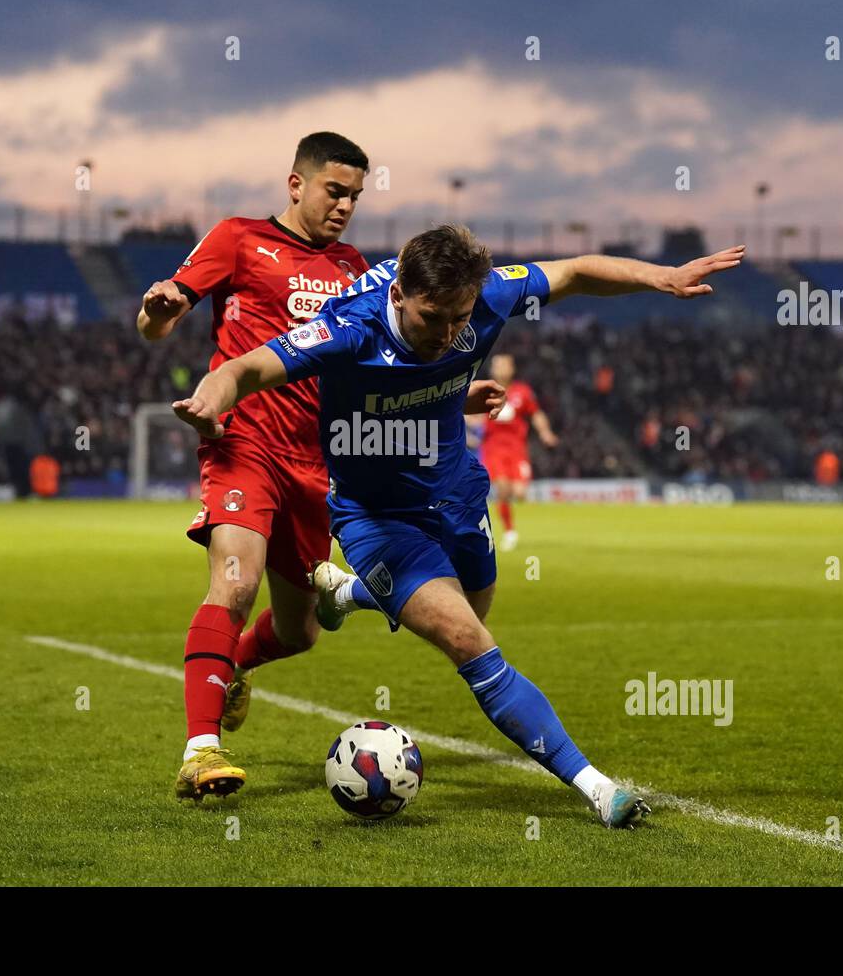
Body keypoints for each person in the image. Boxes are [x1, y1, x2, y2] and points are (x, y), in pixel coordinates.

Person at [173, 224, 745, 825]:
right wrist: (211, 401)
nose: (449, 334)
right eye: (433, 317)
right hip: (376, 519)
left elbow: (574, 271)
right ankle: (599, 789)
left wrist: (661, 277)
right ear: (398, 295)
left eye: (460, 318)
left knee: (477, 605)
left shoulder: (491, 295)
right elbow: (243, 370)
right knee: (470, 641)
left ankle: (349, 593)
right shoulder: (349, 327)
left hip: (457, 496)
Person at [138, 135, 504, 800]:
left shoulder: (357, 267)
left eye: (356, 196)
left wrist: (454, 393)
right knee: (235, 581)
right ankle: (201, 751)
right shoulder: (239, 238)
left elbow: (383, 364)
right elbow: (158, 323)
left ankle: (238, 665)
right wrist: (156, 313)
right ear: (296, 184)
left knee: (300, 630)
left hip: (322, 460)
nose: (344, 206)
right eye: (335, 191)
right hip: (244, 439)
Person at [469, 353, 558, 551]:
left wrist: (545, 432)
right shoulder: (484, 391)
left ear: (512, 369)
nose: (500, 369)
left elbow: (536, 413)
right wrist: (468, 425)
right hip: (493, 448)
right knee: (502, 489)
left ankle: (507, 521)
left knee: (520, 493)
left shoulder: (522, 391)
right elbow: (471, 415)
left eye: (504, 365)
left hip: (517, 448)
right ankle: (509, 532)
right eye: (497, 365)